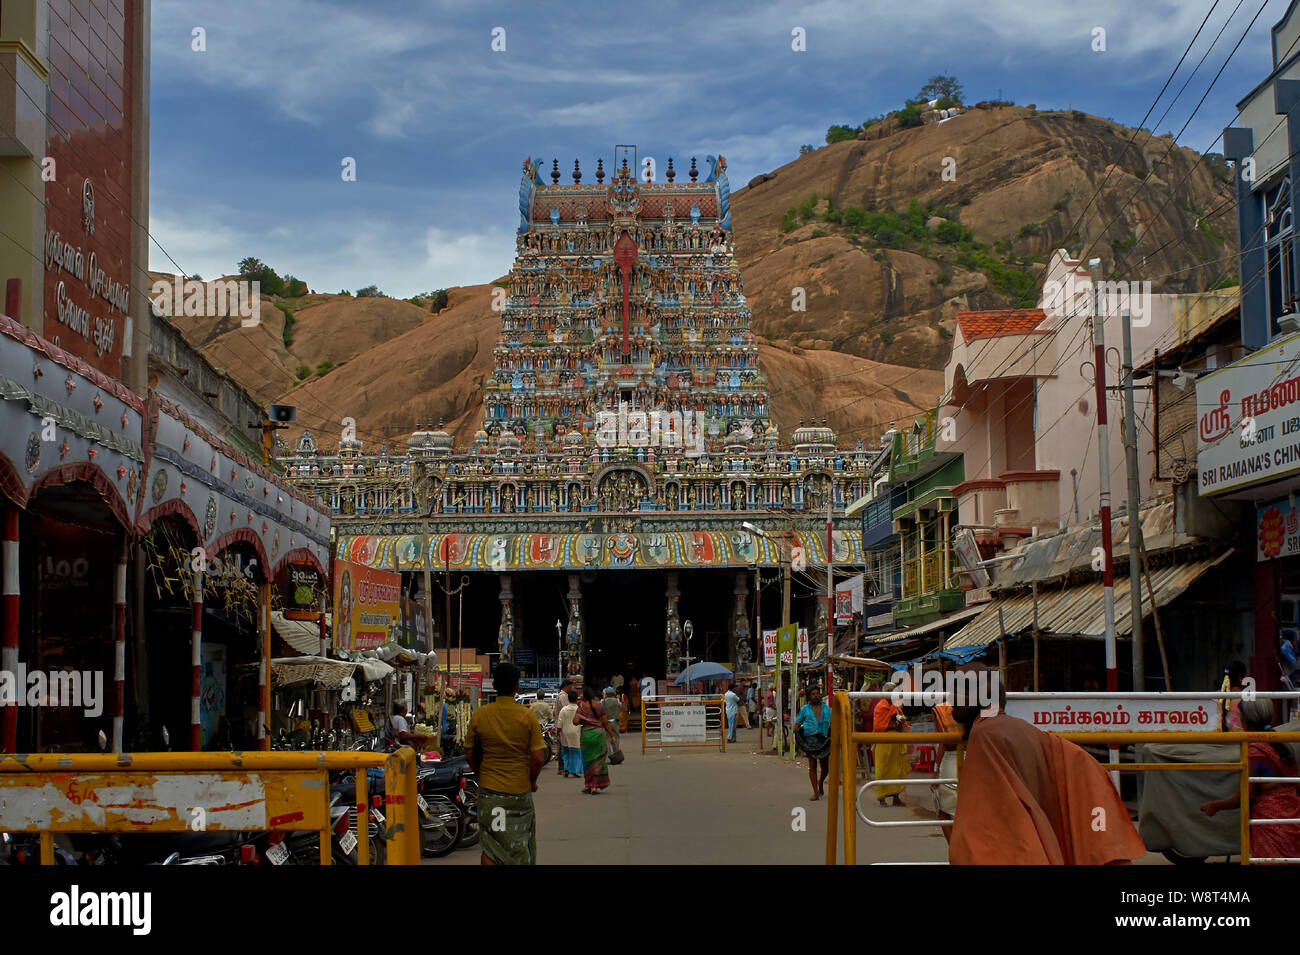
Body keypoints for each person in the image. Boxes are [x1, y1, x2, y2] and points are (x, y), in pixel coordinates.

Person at [947, 680, 1145, 865]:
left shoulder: (984, 734)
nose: (951, 702)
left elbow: (986, 815)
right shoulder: (1020, 728)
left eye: (957, 695)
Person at [465, 662, 546, 865]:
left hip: (489, 792)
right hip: (518, 793)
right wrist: (531, 782)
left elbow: (469, 754)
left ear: (494, 684)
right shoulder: (527, 716)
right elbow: (537, 758)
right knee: (519, 845)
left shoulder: (480, 715)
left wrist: (481, 773)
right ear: (517, 686)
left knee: (491, 846)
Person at [1202, 699, 1300, 860]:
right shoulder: (1284, 743)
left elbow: (1242, 798)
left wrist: (1215, 806)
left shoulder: (1254, 752)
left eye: (1239, 716)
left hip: (1270, 826)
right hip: (1293, 820)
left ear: (1246, 721)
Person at [872, 682, 909, 807]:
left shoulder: (897, 705)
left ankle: (896, 797)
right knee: (882, 769)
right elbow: (878, 726)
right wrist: (893, 724)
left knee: (897, 769)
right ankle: (881, 797)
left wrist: (899, 723)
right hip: (883, 741)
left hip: (896, 741)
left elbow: (901, 720)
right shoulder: (880, 706)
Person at [574, 684, 615, 793]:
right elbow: (605, 723)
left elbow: (575, 722)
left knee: (587, 761)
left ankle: (588, 784)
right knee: (598, 761)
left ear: (584, 696)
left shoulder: (581, 706)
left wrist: (583, 717)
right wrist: (612, 736)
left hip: (586, 735)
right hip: (598, 735)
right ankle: (595, 786)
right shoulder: (599, 705)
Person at [795, 685, 833, 800]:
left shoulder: (826, 708)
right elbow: (797, 723)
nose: (815, 695)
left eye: (817, 693)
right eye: (813, 694)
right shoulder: (805, 709)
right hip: (810, 740)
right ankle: (815, 792)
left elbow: (833, 722)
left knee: (825, 768)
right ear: (809, 696)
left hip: (824, 739)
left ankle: (820, 782)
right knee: (812, 766)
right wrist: (796, 731)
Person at [930, 699, 960, 841]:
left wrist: (936, 770)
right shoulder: (979, 705)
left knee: (943, 809)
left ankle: (954, 849)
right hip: (974, 758)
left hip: (951, 761)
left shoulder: (942, 709)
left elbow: (943, 743)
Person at [558, 694, 583, 777]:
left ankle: (566, 769)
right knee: (575, 752)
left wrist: (558, 734)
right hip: (575, 733)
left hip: (565, 733)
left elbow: (559, 724)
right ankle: (574, 771)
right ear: (576, 699)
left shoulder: (563, 709)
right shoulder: (579, 709)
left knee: (566, 752)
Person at [552, 679, 574, 774]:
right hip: (563, 725)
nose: (571, 688)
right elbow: (567, 709)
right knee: (563, 746)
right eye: (570, 686)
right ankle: (562, 767)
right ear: (566, 686)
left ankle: (562, 767)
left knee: (562, 746)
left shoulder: (560, 696)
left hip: (560, 723)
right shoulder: (563, 696)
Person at [601, 686, 622, 752]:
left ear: (606, 693)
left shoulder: (603, 701)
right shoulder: (617, 701)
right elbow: (621, 707)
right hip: (616, 722)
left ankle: (609, 755)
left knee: (607, 739)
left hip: (607, 723)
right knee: (616, 738)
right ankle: (616, 753)